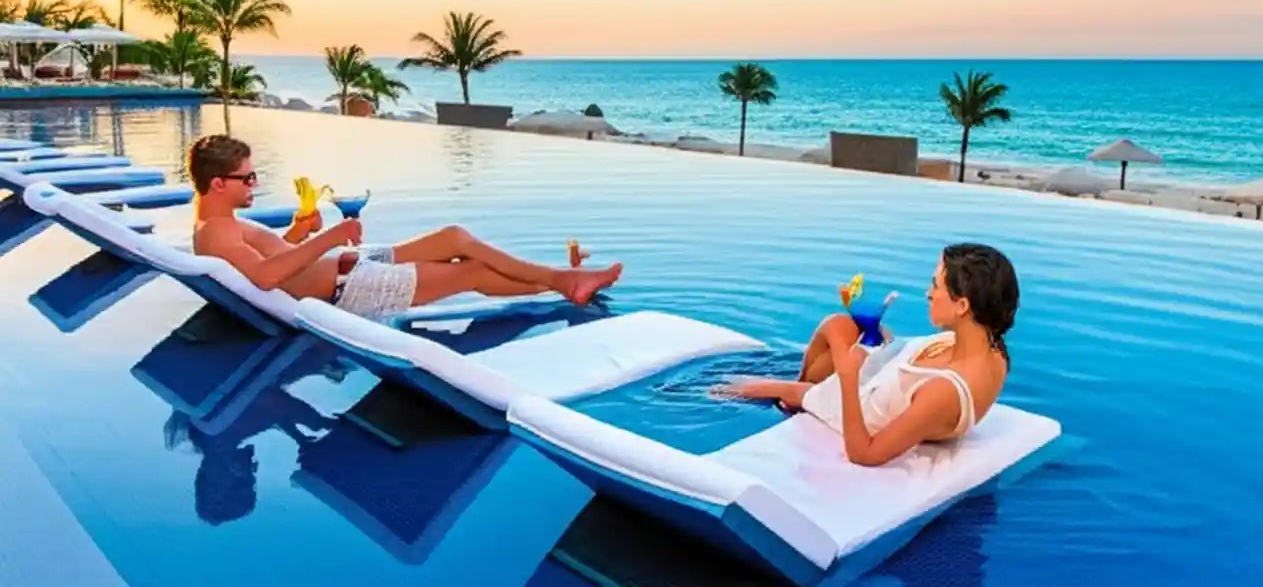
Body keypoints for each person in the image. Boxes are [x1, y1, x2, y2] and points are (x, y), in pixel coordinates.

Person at [187, 134, 623, 318]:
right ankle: (564, 281)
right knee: (469, 270)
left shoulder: (216, 224)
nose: (254, 183)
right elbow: (266, 278)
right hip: (350, 288)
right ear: (219, 183)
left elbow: (268, 262)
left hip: (349, 266)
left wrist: (297, 235)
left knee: (454, 237)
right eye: (247, 178)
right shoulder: (217, 232)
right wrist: (328, 238)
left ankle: (564, 279)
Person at [716, 243, 1019, 466]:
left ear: (962, 306)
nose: (928, 293)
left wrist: (847, 378)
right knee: (842, 324)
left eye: (935, 285)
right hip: (878, 379)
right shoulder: (990, 348)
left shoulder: (943, 392)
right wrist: (879, 335)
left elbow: (865, 454)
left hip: (856, 403)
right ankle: (802, 387)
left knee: (765, 385)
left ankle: (787, 397)